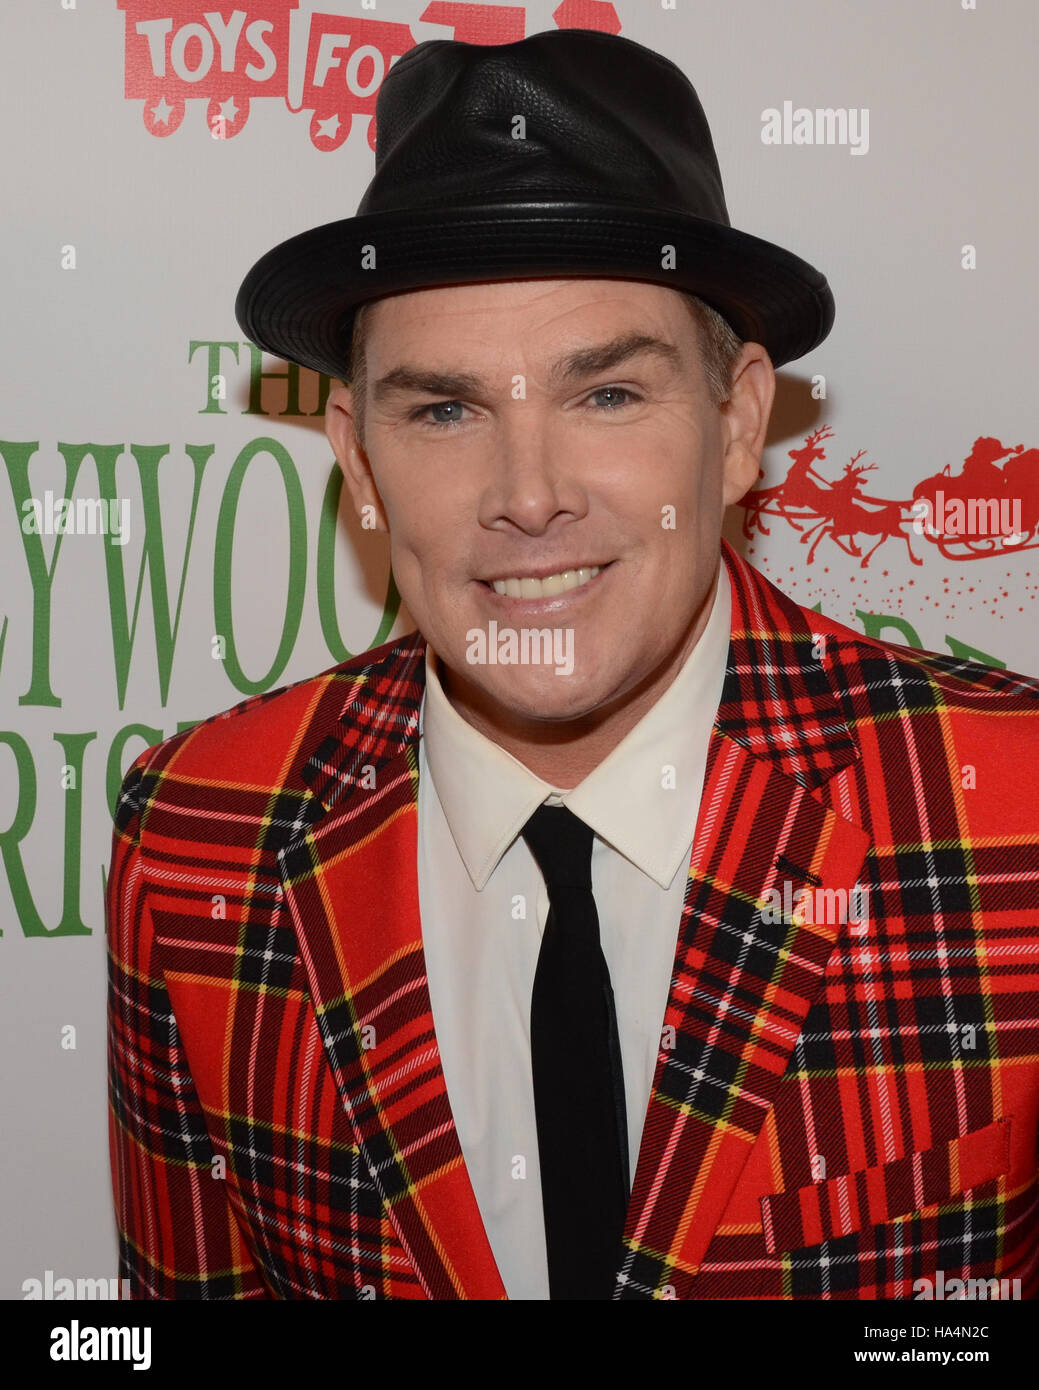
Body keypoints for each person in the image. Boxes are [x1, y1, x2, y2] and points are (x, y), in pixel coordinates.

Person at [106, 28, 1039, 1301]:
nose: (528, 496)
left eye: (606, 395)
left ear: (737, 424)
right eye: (444, 408)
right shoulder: (200, 832)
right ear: (359, 459)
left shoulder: (1011, 807)